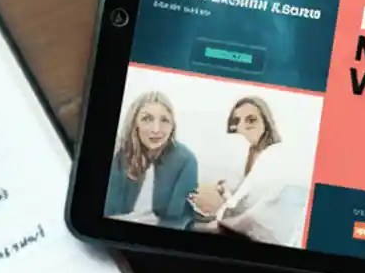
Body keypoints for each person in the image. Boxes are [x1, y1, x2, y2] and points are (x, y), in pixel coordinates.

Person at [188, 96, 306, 247]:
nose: (242, 126)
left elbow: (258, 213)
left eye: (251, 120)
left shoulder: (276, 157)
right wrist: (223, 194)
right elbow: (242, 203)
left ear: (266, 122)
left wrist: (211, 224)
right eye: (236, 121)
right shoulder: (241, 158)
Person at [104, 91, 198, 229]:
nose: (156, 129)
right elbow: (108, 210)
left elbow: (177, 217)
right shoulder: (118, 154)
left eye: (164, 120)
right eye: (147, 119)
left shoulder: (186, 160)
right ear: (134, 122)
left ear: (172, 126)